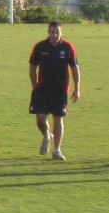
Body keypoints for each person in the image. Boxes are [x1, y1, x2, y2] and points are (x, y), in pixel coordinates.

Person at [29, 21, 80, 161]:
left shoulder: (68, 47)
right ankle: (47, 135)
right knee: (40, 118)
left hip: (60, 90)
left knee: (58, 118)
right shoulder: (40, 47)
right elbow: (32, 67)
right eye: (52, 32)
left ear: (61, 32)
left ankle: (57, 150)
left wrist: (77, 89)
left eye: (57, 32)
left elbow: (75, 69)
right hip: (42, 89)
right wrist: (35, 86)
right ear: (48, 32)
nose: (54, 35)